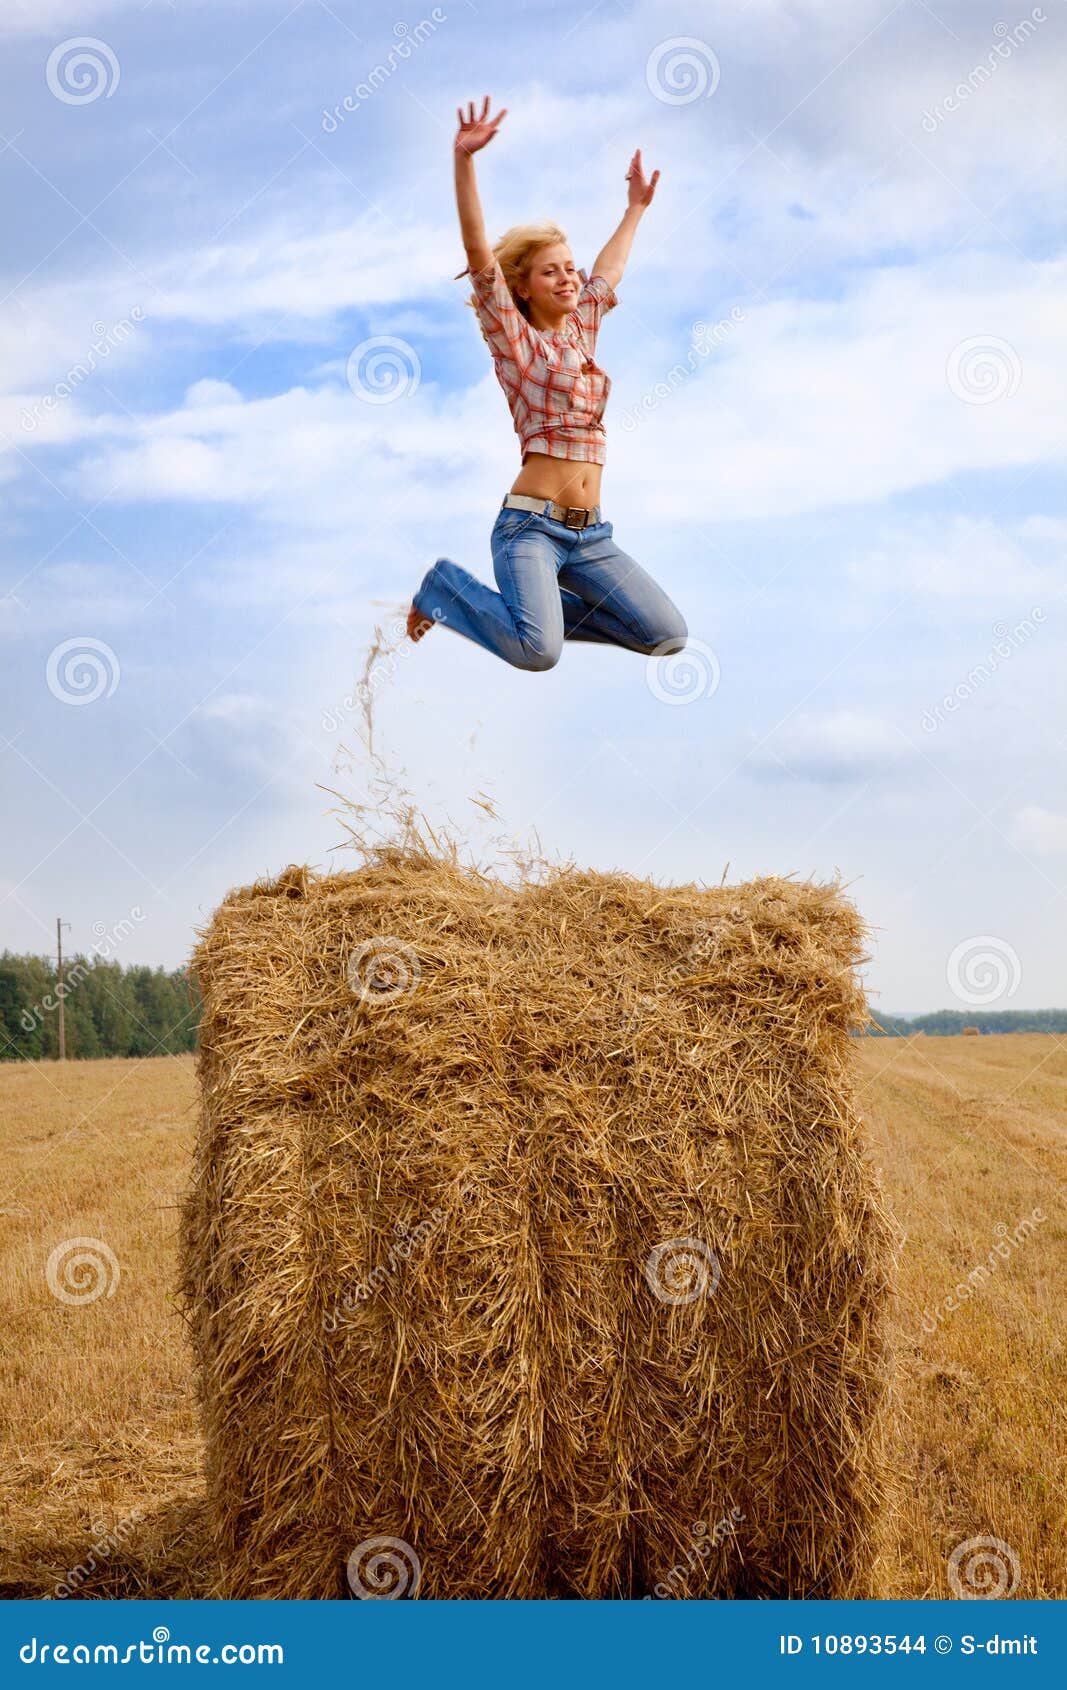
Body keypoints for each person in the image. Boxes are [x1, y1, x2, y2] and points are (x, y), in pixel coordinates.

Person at [406, 95, 688, 672]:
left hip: (593, 540)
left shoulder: (582, 330)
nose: (567, 277)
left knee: (665, 634)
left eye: (568, 267)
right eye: (550, 270)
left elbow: (608, 272)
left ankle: (539, 609)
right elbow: (478, 251)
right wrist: (464, 161)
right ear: (526, 288)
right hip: (530, 529)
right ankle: (446, 588)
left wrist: (635, 208)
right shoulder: (516, 339)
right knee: (539, 652)